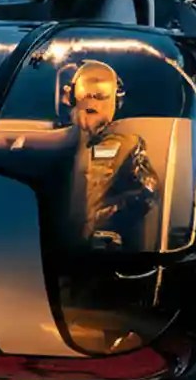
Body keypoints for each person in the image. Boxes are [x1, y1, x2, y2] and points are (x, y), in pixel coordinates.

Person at [66, 60, 160, 250]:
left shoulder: (126, 146)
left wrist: (102, 221)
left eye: (99, 96)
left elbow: (147, 192)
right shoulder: (58, 142)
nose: (92, 102)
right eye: (87, 94)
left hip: (97, 250)